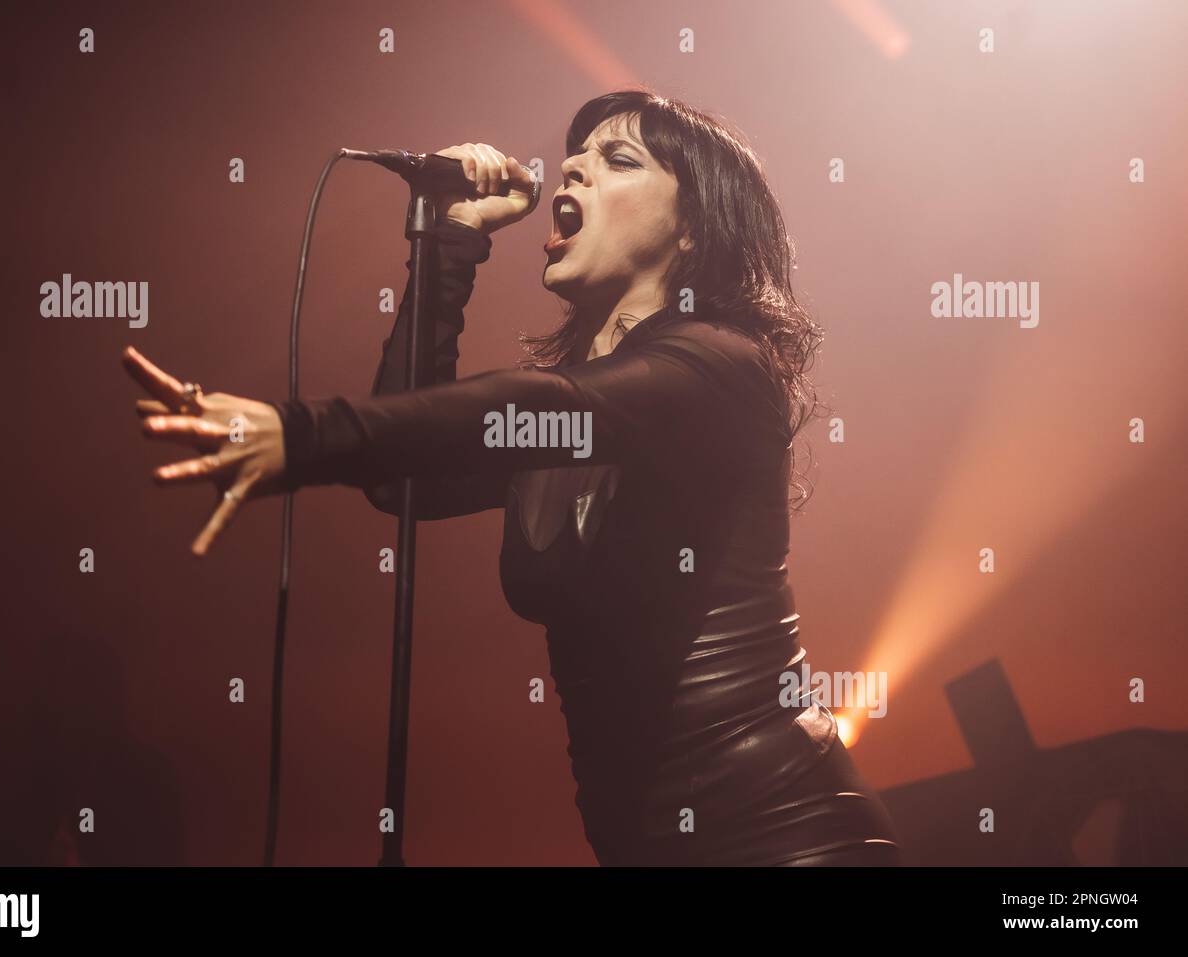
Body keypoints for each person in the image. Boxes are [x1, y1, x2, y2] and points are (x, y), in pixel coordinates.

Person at [123, 89, 903, 866]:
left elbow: (540, 401)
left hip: (794, 842)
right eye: (573, 158)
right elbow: (407, 483)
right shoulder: (568, 420)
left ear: (694, 228)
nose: (570, 170)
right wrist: (453, 241)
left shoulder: (723, 366)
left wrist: (302, 434)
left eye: (616, 160)